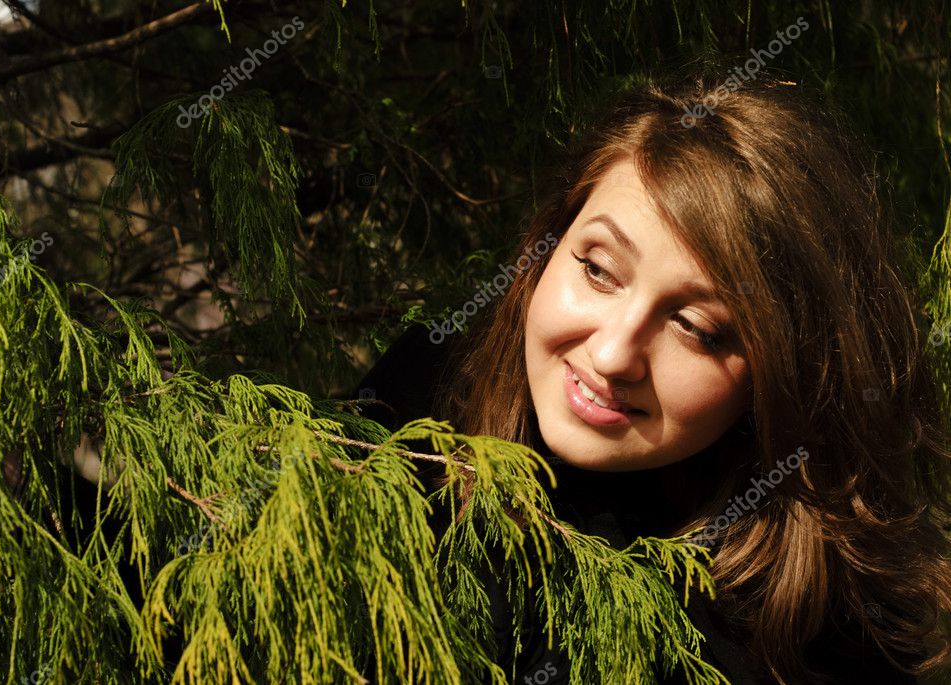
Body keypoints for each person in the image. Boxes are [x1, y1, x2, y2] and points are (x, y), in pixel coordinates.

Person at [353, 67, 951, 684]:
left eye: (695, 327)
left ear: (783, 379)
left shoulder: (806, 650)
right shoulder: (411, 400)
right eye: (598, 270)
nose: (613, 355)